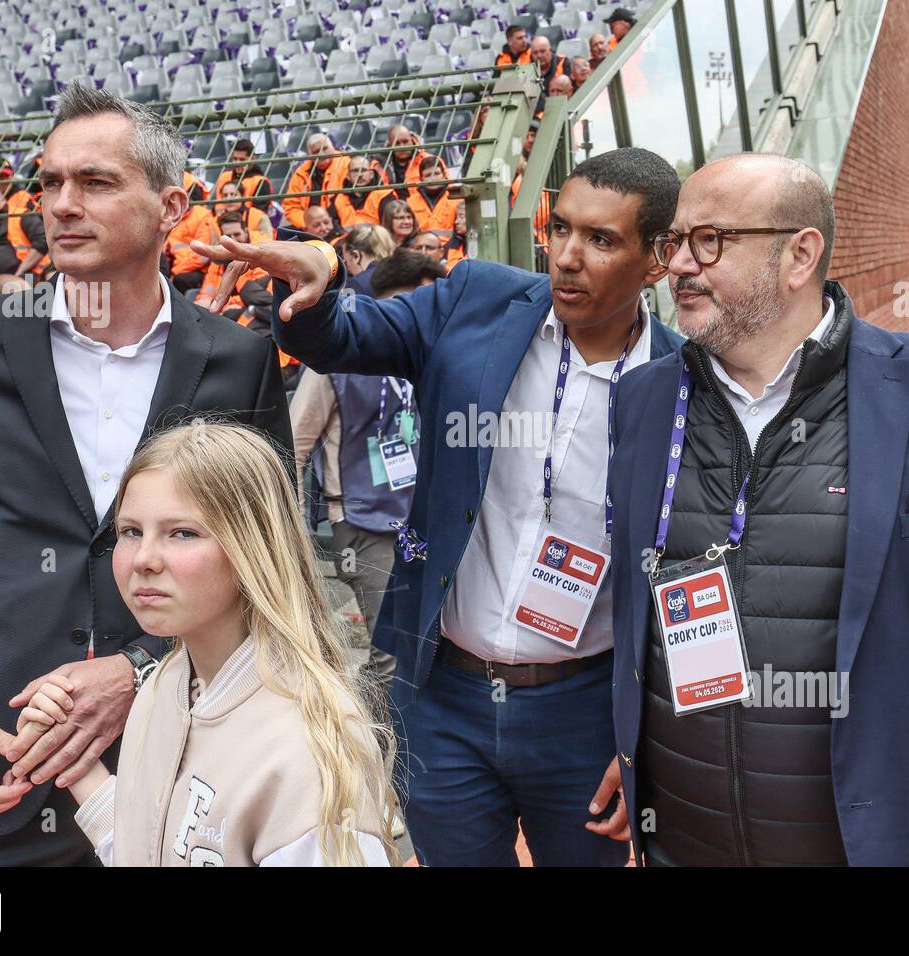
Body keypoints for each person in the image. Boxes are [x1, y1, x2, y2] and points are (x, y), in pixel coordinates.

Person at [193, 147, 684, 867]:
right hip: (443, 695)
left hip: (584, 712)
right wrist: (320, 284)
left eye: (603, 240)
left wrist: (646, 734)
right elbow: (348, 336)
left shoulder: (681, 388)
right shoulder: (477, 300)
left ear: (659, 258)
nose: (569, 257)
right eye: (563, 229)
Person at [0, 82, 293, 867]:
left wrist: (137, 671)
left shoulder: (238, 361)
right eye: (49, 182)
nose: (60, 204)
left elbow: (274, 570)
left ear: (171, 208)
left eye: (95, 182)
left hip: (187, 773)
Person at [605, 152, 909, 866]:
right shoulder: (642, 401)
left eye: (711, 241)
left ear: (800, 256)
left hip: (891, 837)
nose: (679, 265)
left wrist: (907, 674)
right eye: (675, 242)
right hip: (690, 837)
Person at [12, 423, 395, 865]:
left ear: (254, 546)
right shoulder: (163, 685)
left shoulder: (308, 751)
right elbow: (148, 846)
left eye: (183, 533)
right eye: (131, 531)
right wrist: (69, 751)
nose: (144, 560)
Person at [289, 251, 444, 703]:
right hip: (363, 522)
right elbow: (295, 446)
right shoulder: (333, 363)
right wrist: (297, 533)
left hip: (423, 516)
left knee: (428, 645)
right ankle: (382, 760)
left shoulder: (435, 354)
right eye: (409, 305)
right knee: (389, 652)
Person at [284, 133, 350, 228]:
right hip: (309, 228)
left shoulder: (347, 165)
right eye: (316, 152)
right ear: (310, 155)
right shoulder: (301, 173)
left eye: (325, 148)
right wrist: (309, 225)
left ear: (333, 147)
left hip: (340, 223)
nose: (321, 154)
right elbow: (292, 207)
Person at [165, 199, 216, 295]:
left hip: (196, 269)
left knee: (180, 280)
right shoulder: (171, 217)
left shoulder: (202, 216)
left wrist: (175, 272)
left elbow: (201, 256)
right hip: (175, 266)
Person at [335, 154, 396, 227]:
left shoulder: (384, 195)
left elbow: (390, 226)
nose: (360, 174)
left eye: (363, 170)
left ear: (371, 174)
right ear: (348, 176)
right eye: (355, 171)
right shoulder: (339, 199)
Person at [338, 223, 398, 297]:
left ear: (356, 256)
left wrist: (340, 298)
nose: (348, 269)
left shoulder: (358, 283)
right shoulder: (401, 271)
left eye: (346, 262)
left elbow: (347, 308)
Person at [405, 155, 460, 234]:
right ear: (421, 179)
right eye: (428, 175)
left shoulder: (457, 199)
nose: (433, 178)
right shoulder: (410, 203)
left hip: (451, 246)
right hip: (420, 245)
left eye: (437, 173)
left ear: (444, 175)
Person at [214, 138, 271, 207]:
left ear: (253, 159)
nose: (237, 163)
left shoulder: (260, 182)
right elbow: (218, 205)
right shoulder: (224, 177)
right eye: (235, 159)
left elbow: (259, 213)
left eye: (242, 159)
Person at [383, 125, 431, 198]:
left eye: (405, 142)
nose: (402, 147)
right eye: (397, 143)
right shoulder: (380, 164)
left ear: (411, 141)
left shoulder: (429, 160)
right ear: (390, 145)